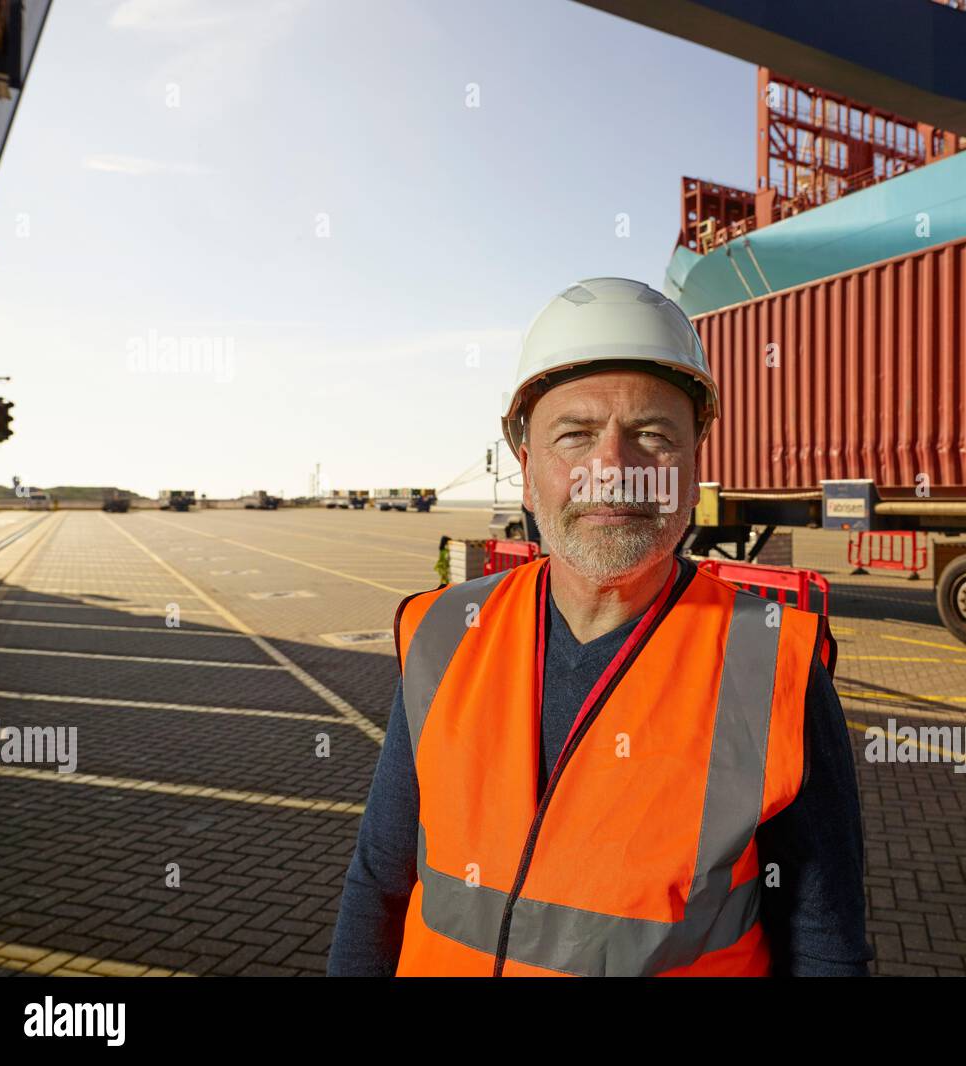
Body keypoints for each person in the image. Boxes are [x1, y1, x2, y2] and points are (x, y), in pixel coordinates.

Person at [328, 277, 872, 976]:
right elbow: (379, 883)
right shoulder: (444, 635)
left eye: (652, 435)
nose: (613, 469)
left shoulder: (774, 669)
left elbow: (824, 946)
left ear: (693, 468)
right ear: (527, 474)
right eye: (576, 436)